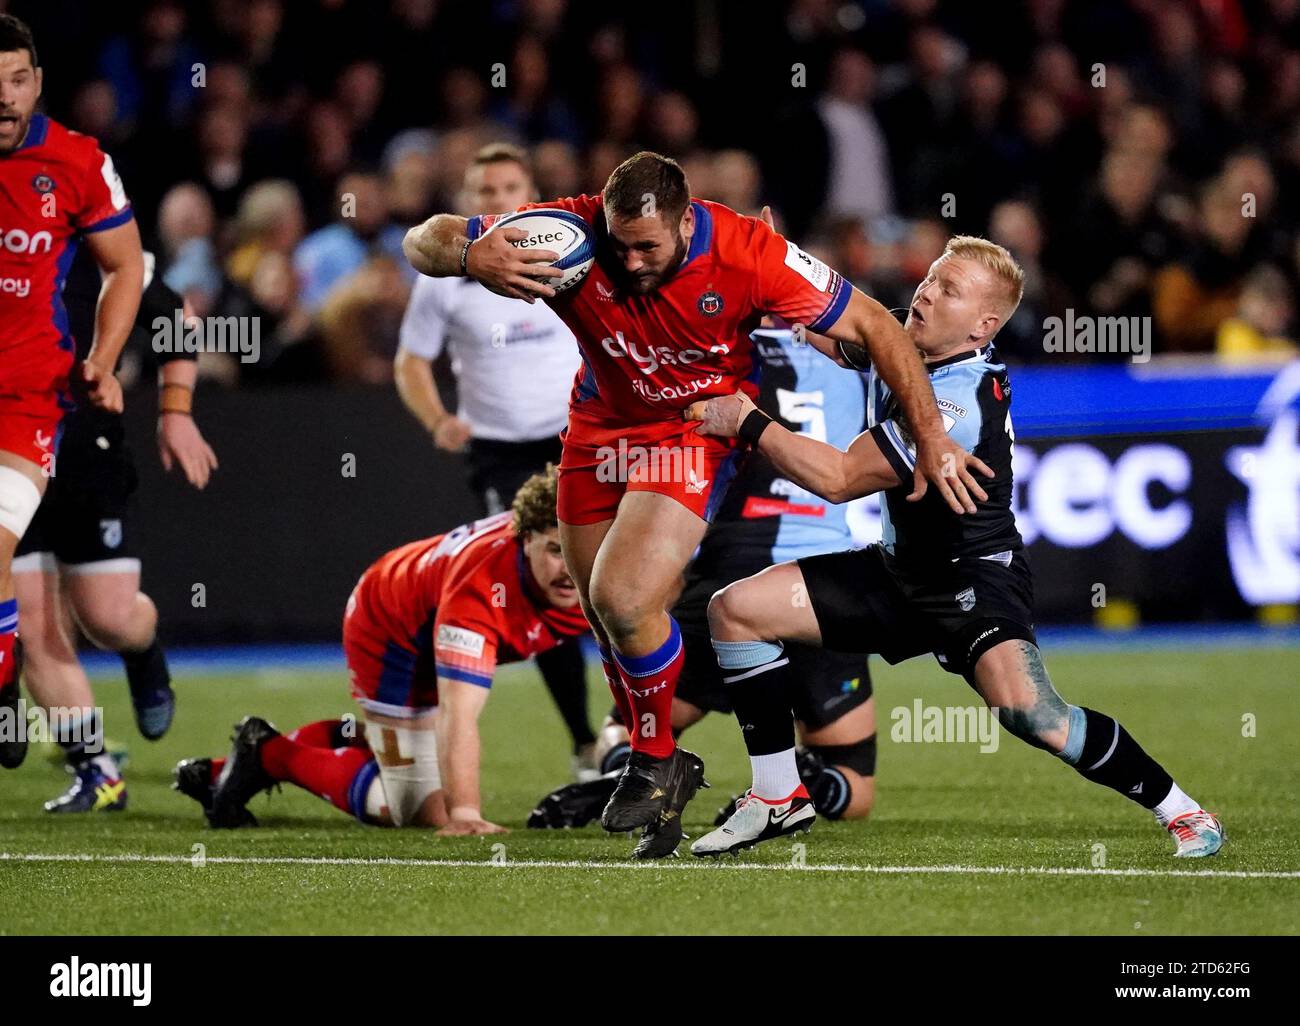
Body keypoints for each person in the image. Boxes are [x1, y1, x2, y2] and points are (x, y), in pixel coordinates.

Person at [402, 150, 990, 857]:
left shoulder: (751, 252)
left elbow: (878, 328)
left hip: (693, 428)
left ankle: (651, 762)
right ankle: (662, 761)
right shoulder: (570, 230)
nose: (630, 260)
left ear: (686, 221)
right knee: (597, 608)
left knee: (623, 597)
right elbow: (422, 238)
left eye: (647, 245)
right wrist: (470, 253)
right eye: (619, 244)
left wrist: (930, 435)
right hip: (598, 426)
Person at [683, 236, 1225, 860]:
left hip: (972, 578)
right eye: (933, 278)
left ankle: (1183, 812)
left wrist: (746, 420)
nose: (927, 292)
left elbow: (837, 480)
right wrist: (770, 268)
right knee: (736, 611)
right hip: (896, 570)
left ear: (983, 326)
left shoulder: (956, 403)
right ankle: (777, 796)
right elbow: (831, 334)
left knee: (1032, 715)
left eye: (950, 290)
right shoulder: (908, 345)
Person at [529, 327, 878, 832]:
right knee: (853, 782)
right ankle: (809, 780)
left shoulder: (707, 348)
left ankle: (627, 774)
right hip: (823, 585)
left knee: (625, 728)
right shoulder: (855, 347)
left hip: (730, 580)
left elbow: (673, 474)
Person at [174, 467, 591, 835]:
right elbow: (458, 712)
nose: (570, 567)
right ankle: (269, 754)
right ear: (524, 538)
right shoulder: (481, 591)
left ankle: (220, 773)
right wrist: (466, 812)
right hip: (393, 630)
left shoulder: (606, 566)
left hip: (427, 607)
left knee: (413, 762)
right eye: (556, 550)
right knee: (417, 809)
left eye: (578, 550)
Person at [395, 143, 594, 776]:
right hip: (502, 454)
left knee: (614, 580)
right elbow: (410, 360)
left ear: (530, 193)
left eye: (509, 186)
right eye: (484, 190)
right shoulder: (448, 279)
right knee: (547, 583)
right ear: (468, 201)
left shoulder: (571, 254)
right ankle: (588, 740)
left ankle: (626, 733)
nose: (498, 199)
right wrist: (437, 420)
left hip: (580, 439)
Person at [13, 247, 218, 812]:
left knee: (107, 618)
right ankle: (97, 771)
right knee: (31, 625)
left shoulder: (87, 227)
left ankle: (143, 649)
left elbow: (171, 313)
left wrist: (175, 412)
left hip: (84, 447)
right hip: (9, 448)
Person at [0, 15, 145, 770]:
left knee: (106, 615)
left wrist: (105, 360)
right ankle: (16, 701)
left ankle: (138, 662)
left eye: (18, 79)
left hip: (39, 403)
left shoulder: (78, 162)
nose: (4, 98)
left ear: (38, 82)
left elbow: (137, 275)